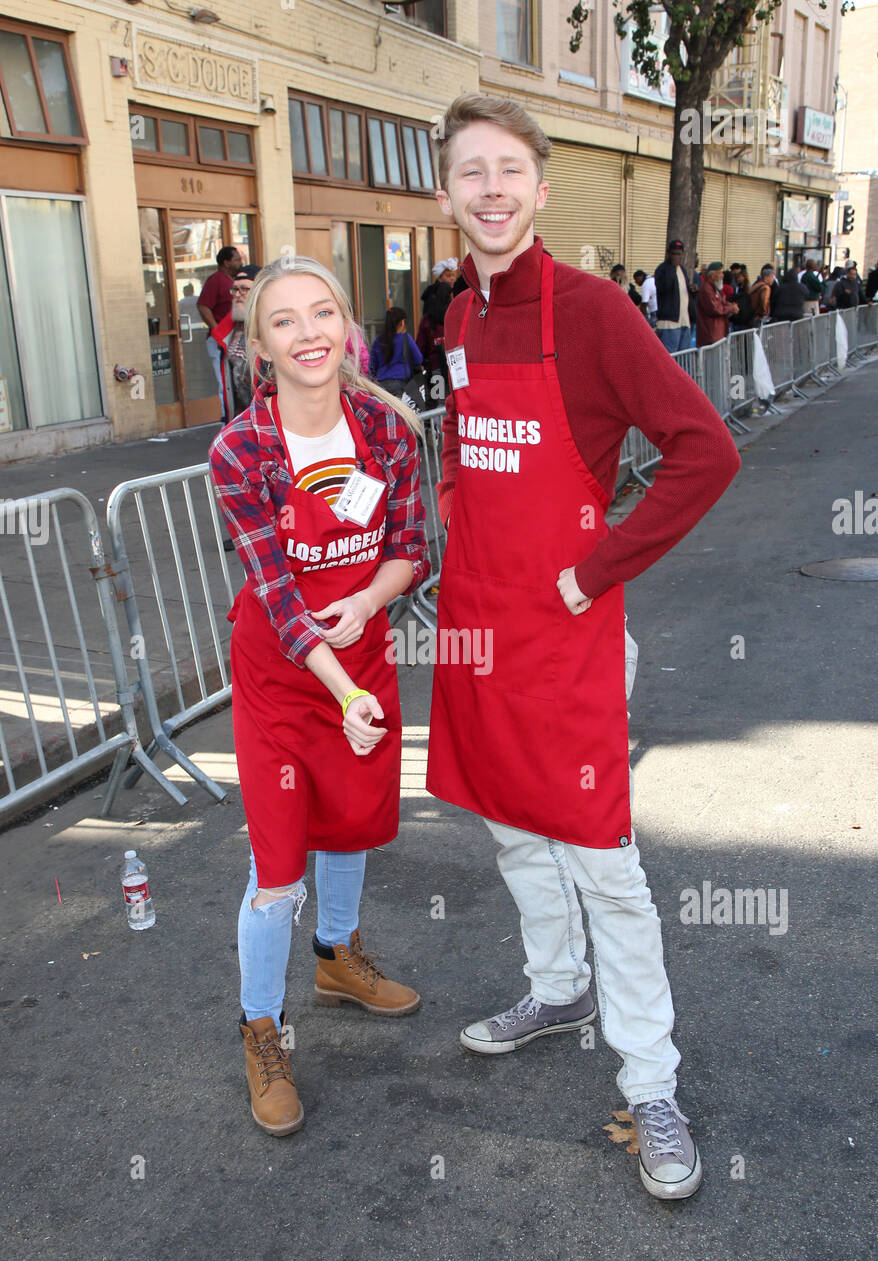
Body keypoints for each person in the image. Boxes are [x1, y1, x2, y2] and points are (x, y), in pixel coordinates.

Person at [426, 93, 740, 1202]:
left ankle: (651, 1079)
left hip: (567, 638)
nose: (493, 190)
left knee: (605, 864)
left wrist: (593, 567)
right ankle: (556, 990)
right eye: (472, 172)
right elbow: (469, 454)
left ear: (539, 186)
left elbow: (705, 452)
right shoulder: (456, 319)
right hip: (482, 632)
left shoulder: (596, 311)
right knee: (513, 833)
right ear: (449, 191)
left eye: (510, 169)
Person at [208, 256, 429, 1137]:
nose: (309, 334)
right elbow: (273, 589)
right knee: (277, 865)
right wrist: (338, 688)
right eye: (286, 321)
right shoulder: (240, 450)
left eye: (324, 313)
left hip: (360, 654)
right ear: (259, 344)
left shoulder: (387, 428)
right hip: (281, 674)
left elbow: (412, 546)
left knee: (351, 817)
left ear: (348, 326)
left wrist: (371, 600)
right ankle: (261, 1026)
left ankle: (338, 957)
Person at [211, 263, 263, 425]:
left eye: (244, 289)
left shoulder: (271, 328)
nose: (238, 294)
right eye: (235, 289)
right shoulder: (229, 331)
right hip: (241, 420)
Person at [198, 246, 243, 397]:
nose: (240, 263)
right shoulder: (215, 280)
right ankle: (227, 418)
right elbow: (203, 306)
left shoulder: (236, 281)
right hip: (221, 339)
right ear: (226, 263)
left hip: (235, 339)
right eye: (237, 260)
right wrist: (217, 332)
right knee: (224, 382)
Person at [416, 259, 458, 397]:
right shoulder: (453, 313)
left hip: (438, 365)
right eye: (448, 275)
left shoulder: (428, 320)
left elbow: (421, 345)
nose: (452, 278)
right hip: (449, 365)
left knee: (439, 401)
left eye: (453, 275)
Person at [368, 308, 424, 397]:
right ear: (402, 322)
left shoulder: (378, 340)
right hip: (401, 382)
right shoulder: (406, 338)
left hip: (381, 384)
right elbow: (418, 359)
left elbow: (372, 366)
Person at [653, 239, 692, 352]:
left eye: (679, 254)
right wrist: (671, 268)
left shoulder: (682, 270)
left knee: (683, 358)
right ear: (669, 253)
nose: (676, 257)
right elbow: (663, 288)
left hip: (684, 320)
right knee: (671, 358)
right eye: (673, 254)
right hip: (669, 323)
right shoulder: (662, 269)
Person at [696, 261, 738, 345]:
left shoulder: (716, 288)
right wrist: (730, 308)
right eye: (720, 273)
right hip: (710, 334)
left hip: (718, 333)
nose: (722, 275)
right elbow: (714, 308)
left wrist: (732, 306)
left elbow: (722, 302)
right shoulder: (707, 289)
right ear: (712, 275)